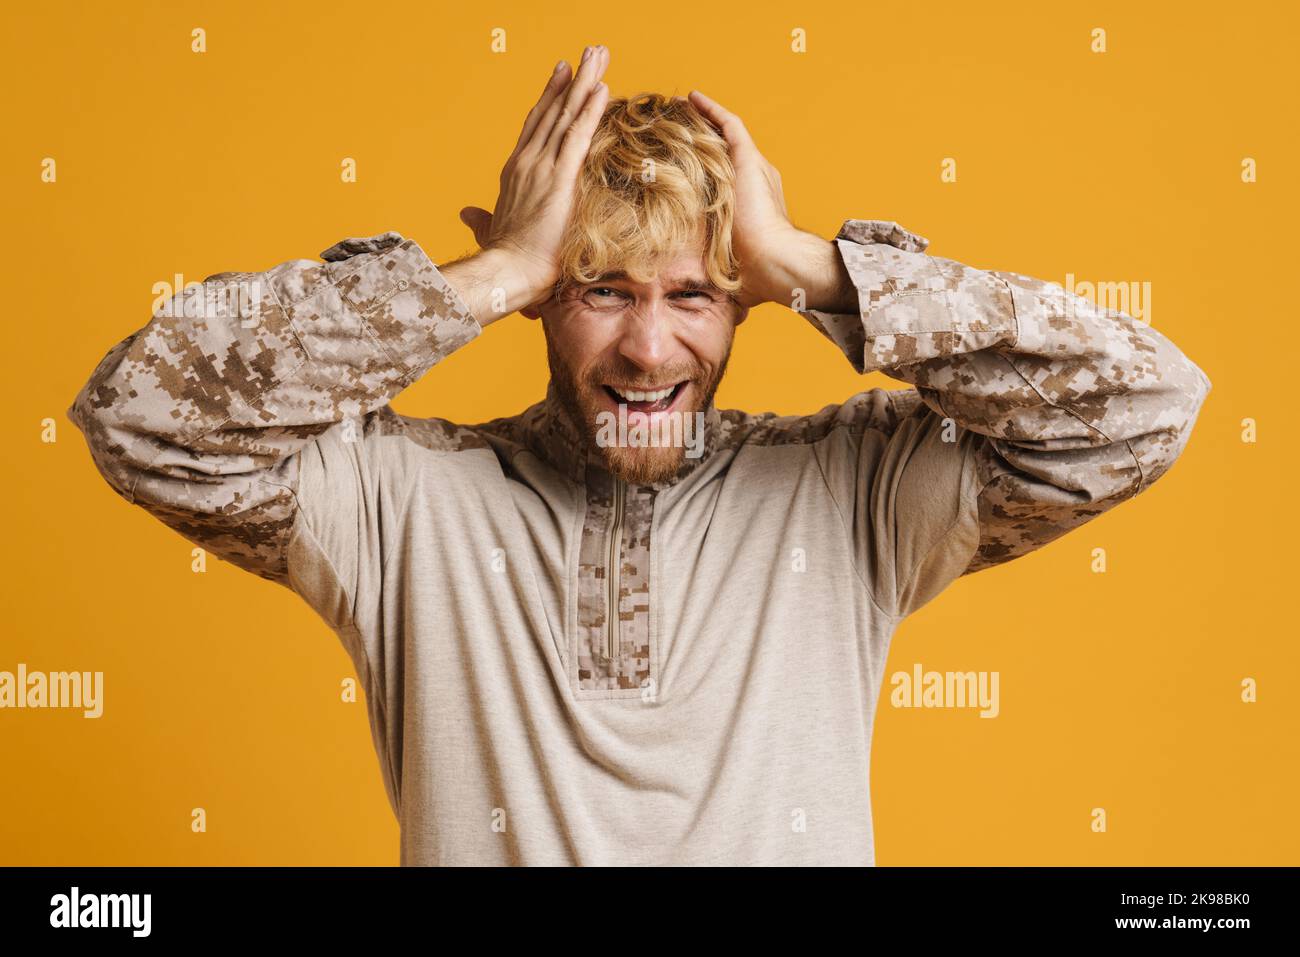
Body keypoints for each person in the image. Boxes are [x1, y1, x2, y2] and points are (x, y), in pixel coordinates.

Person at [68, 45, 1210, 865]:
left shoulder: (852, 493)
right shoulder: (393, 501)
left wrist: (821, 269)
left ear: (750, 303)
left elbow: (1143, 404)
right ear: (539, 302)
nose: (648, 346)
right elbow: (139, 414)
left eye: (697, 295)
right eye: (599, 290)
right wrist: (492, 274)